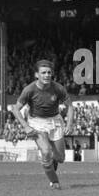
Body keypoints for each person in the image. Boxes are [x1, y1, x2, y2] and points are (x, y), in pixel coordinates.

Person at [13, 60, 72, 189]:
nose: (47, 75)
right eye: (43, 73)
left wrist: (69, 123)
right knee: (46, 152)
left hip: (55, 121)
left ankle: (53, 166)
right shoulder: (29, 90)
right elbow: (15, 109)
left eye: (49, 72)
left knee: (60, 158)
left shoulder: (58, 88)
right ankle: (54, 182)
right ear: (36, 75)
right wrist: (26, 126)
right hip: (36, 123)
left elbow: (70, 106)